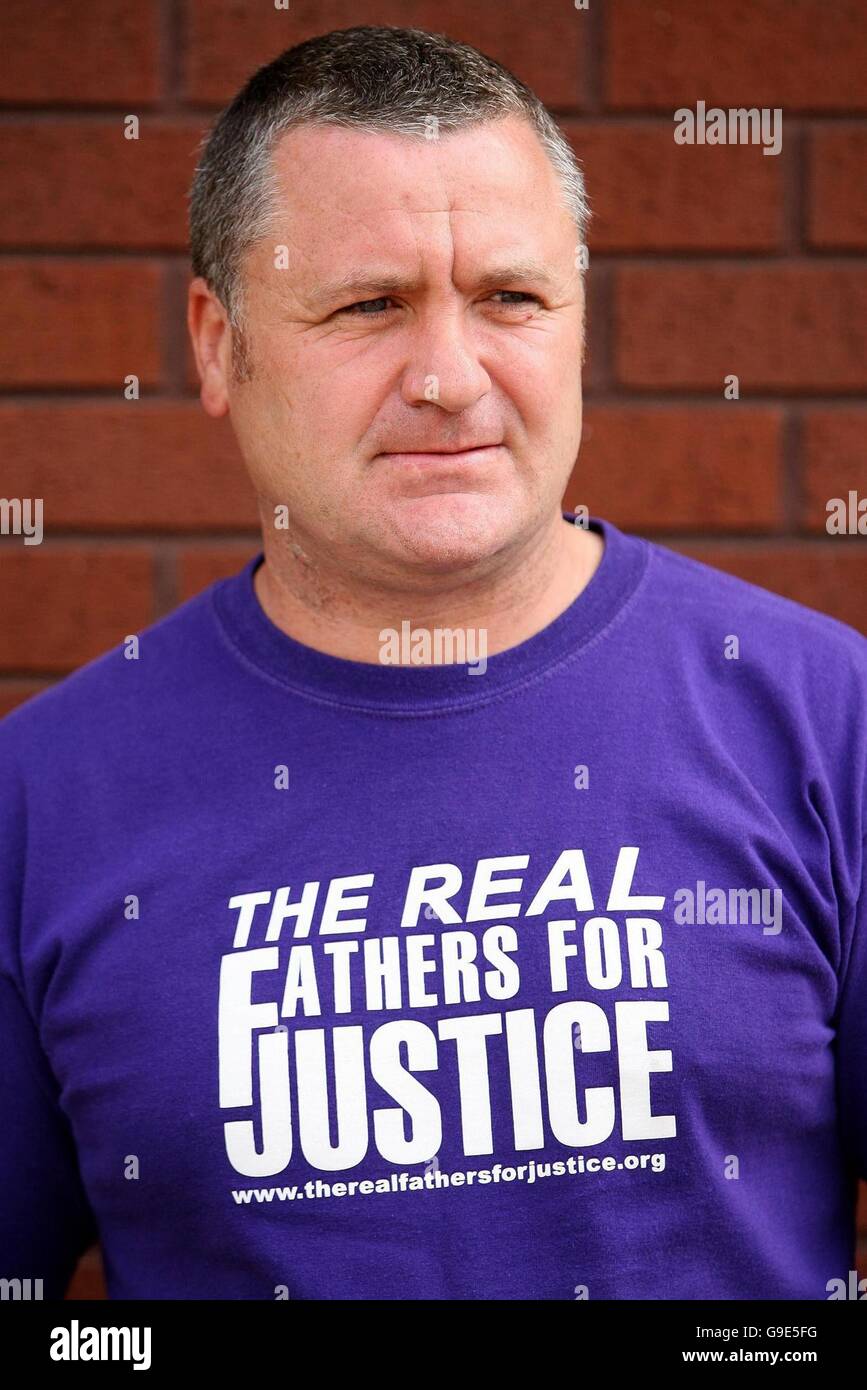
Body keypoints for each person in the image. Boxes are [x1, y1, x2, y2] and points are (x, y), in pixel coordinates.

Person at [1, 25, 865, 1302]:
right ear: (218, 344)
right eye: (368, 305)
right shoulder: (42, 795)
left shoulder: (825, 718)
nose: (452, 378)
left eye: (511, 298)